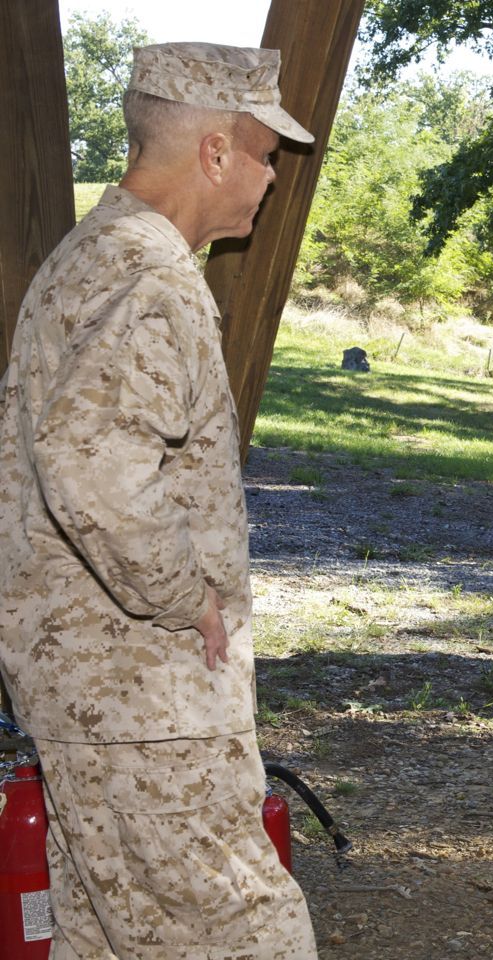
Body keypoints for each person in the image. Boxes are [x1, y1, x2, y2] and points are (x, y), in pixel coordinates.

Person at [0, 43, 318, 959]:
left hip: (91, 696)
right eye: (263, 152)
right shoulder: (148, 274)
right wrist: (186, 597)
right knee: (248, 934)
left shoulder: (90, 254)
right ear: (213, 151)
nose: (269, 177)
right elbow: (94, 468)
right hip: (141, 701)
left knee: (112, 938)